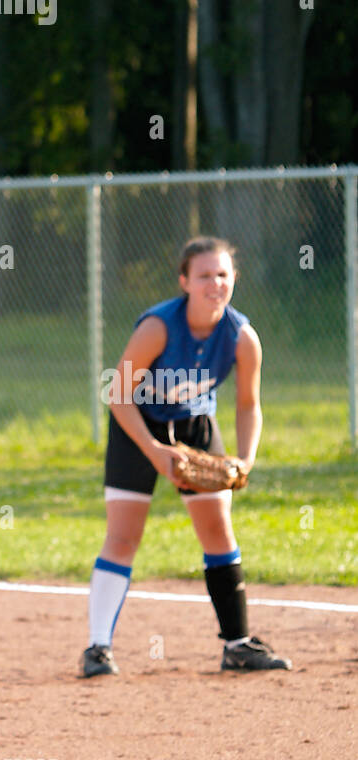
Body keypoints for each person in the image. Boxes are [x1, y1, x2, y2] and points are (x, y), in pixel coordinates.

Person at [80, 235, 292, 678]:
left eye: (222, 274)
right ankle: (97, 649)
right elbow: (117, 395)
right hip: (137, 426)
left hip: (195, 426)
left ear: (233, 279)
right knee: (123, 536)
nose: (214, 283)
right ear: (185, 281)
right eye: (204, 276)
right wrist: (154, 450)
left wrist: (246, 459)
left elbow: (249, 405)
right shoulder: (158, 327)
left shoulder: (241, 336)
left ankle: (237, 645)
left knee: (217, 530)